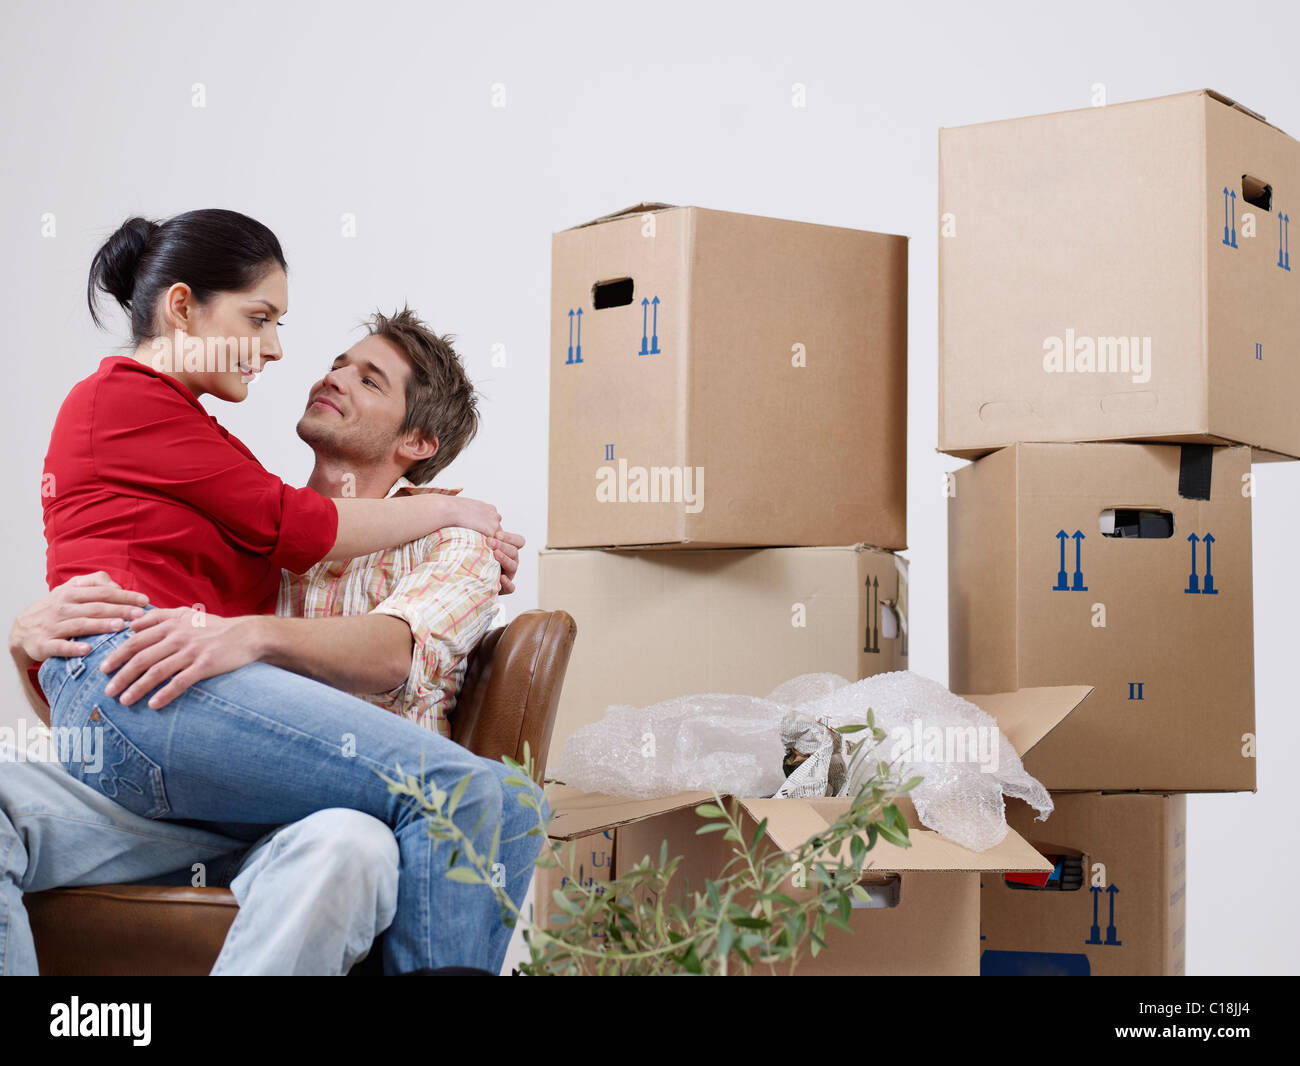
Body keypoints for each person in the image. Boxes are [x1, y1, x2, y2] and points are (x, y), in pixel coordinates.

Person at [17, 209, 546, 975]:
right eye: (262, 320)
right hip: (156, 732)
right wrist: (22, 644)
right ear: (182, 306)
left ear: (418, 444)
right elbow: (287, 527)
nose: (294, 359)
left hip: (264, 793)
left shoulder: (440, 544)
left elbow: (386, 646)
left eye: (368, 379)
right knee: (479, 794)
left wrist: (252, 633)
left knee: (499, 801)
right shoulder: (256, 522)